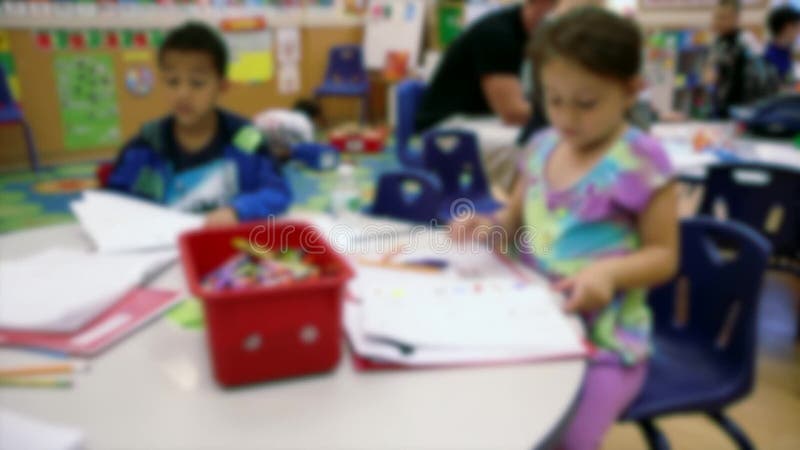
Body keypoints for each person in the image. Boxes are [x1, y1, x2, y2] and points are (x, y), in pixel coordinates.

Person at [452, 7, 679, 449]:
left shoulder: (643, 161)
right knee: (491, 417)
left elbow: (664, 256)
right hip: (532, 320)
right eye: (553, 100)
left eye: (586, 103)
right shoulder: (539, 148)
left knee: (566, 439)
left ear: (631, 90)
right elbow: (512, 226)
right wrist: (485, 226)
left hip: (606, 342)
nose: (567, 118)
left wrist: (608, 274)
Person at [107, 22, 291, 226]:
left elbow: (277, 192)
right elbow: (115, 203)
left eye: (197, 83)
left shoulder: (245, 139)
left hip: (228, 248)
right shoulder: (145, 145)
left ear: (222, 86)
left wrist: (237, 210)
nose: (182, 94)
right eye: (172, 82)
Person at [414, 0, 556, 131]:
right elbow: (513, 112)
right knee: (541, 144)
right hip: (445, 125)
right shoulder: (497, 34)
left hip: (475, 119)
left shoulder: (525, 33)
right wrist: (563, 109)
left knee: (546, 140)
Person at [764, 5, 800, 85]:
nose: (798, 31)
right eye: (797, 27)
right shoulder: (770, 56)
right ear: (787, 28)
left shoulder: (787, 50)